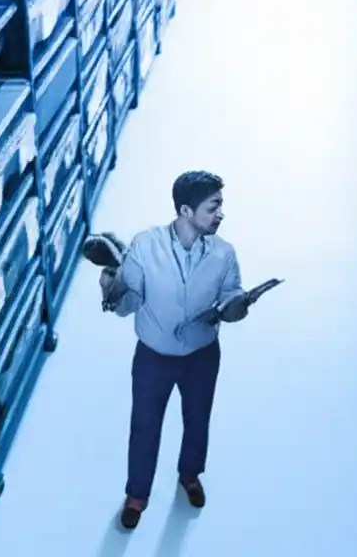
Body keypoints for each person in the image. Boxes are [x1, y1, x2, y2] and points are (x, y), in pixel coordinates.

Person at [99, 170, 249, 529]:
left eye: (220, 206)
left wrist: (236, 306)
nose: (220, 214)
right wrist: (111, 289)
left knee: (197, 419)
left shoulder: (224, 253)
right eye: (213, 207)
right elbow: (126, 304)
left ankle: (190, 475)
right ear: (185, 210)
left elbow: (231, 294)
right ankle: (137, 495)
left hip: (202, 354)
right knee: (145, 425)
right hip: (153, 356)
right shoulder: (146, 246)